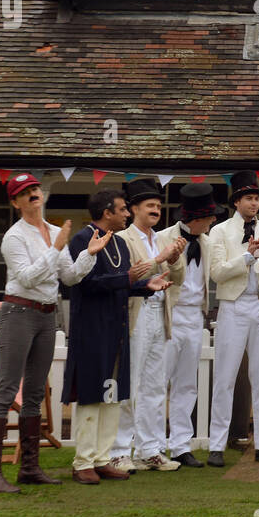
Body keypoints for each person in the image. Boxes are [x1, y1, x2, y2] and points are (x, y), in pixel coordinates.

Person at [0, 173, 109, 494]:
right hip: (18, 313)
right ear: (16, 202)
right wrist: (54, 249)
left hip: (46, 315)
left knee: (36, 393)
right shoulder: (14, 237)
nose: (33, 195)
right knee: (6, 389)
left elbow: (68, 277)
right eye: (25, 192)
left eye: (36, 189)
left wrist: (88, 254)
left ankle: (29, 468)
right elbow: (25, 278)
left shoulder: (54, 232)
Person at [64, 189, 170, 484]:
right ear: (106, 212)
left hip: (118, 328)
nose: (127, 214)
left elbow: (121, 284)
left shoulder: (120, 245)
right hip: (91, 328)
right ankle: (83, 461)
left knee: (112, 393)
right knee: (91, 394)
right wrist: (129, 279)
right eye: (123, 210)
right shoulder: (82, 240)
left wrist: (146, 285)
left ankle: (102, 457)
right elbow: (86, 284)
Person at [206, 170, 259, 466]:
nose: (254, 204)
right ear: (237, 201)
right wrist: (247, 257)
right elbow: (217, 272)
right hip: (232, 306)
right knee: (226, 377)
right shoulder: (220, 231)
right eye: (249, 198)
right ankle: (216, 444)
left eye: (256, 198)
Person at [112, 178, 186, 472]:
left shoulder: (162, 238)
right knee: (130, 384)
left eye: (158, 205)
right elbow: (134, 274)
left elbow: (176, 279)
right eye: (150, 206)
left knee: (156, 386)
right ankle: (119, 450)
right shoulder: (124, 239)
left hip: (160, 315)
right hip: (136, 313)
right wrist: (161, 258)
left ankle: (149, 449)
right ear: (134, 209)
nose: (156, 210)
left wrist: (175, 258)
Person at [161, 182, 219, 467]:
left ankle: (181, 445)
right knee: (159, 382)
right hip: (168, 315)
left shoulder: (207, 242)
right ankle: (154, 444)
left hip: (195, 317)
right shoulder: (162, 238)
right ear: (197, 218)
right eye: (210, 218)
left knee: (187, 384)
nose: (213, 221)